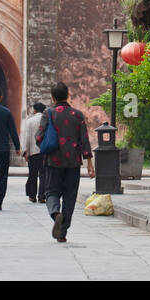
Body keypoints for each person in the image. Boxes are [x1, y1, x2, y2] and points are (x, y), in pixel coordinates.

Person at [35, 82, 94, 243]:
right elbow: (84, 140)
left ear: (52, 97)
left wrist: (46, 148)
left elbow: (39, 137)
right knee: (69, 197)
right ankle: (62, 233)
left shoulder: (48, 113)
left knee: (51, 192)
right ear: (67, 95)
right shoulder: (77, 115)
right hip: (73, 162)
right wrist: (90, 164)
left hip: (53, 161)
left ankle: (56, 214)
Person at [20, 102, 47, 203]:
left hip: (33, 152)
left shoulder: (30, 121)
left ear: (34, 110)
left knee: (33, 173)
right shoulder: (47, 120)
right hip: (44, 151)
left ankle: (32, 195)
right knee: (44, 174)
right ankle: (42, 195)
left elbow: (27, 137)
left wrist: (25, 152)